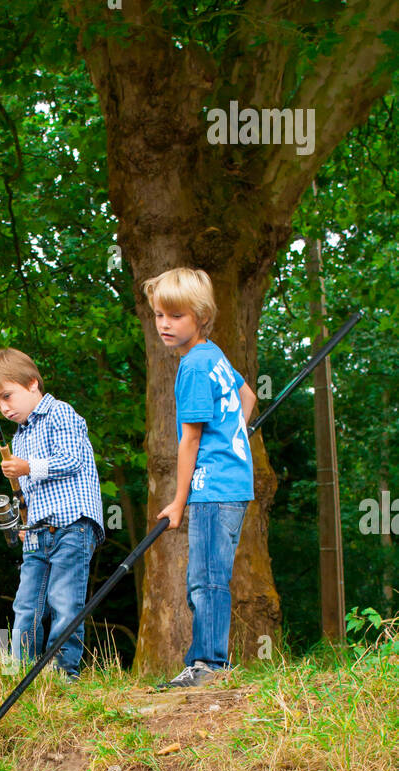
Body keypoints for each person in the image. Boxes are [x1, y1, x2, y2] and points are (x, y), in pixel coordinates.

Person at [143, 267, 257, 689]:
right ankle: (208, 663)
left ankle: (207, 665)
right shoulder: (214, 355)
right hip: (234, 482)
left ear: (201, 315)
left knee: (205, 578)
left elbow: (189, 440)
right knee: (211, 574)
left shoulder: (192, 367)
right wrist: (233, 436)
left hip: (212, 488)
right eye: (159, 315)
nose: (165, 325)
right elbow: (248, 397)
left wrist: (177, 500)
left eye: (176, 316)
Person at [0, 348, 105, 682]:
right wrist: (23, 522)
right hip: (37, 533)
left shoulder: (60, 414)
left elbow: (71, 459)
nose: (4, 407)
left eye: (7, 395)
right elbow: (31, 494)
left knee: (65, 601)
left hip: (73, 526)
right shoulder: (19, 437)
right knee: (26, 605)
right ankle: (21, 674)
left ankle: (64, 673)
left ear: (32, 383)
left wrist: (27, 466)